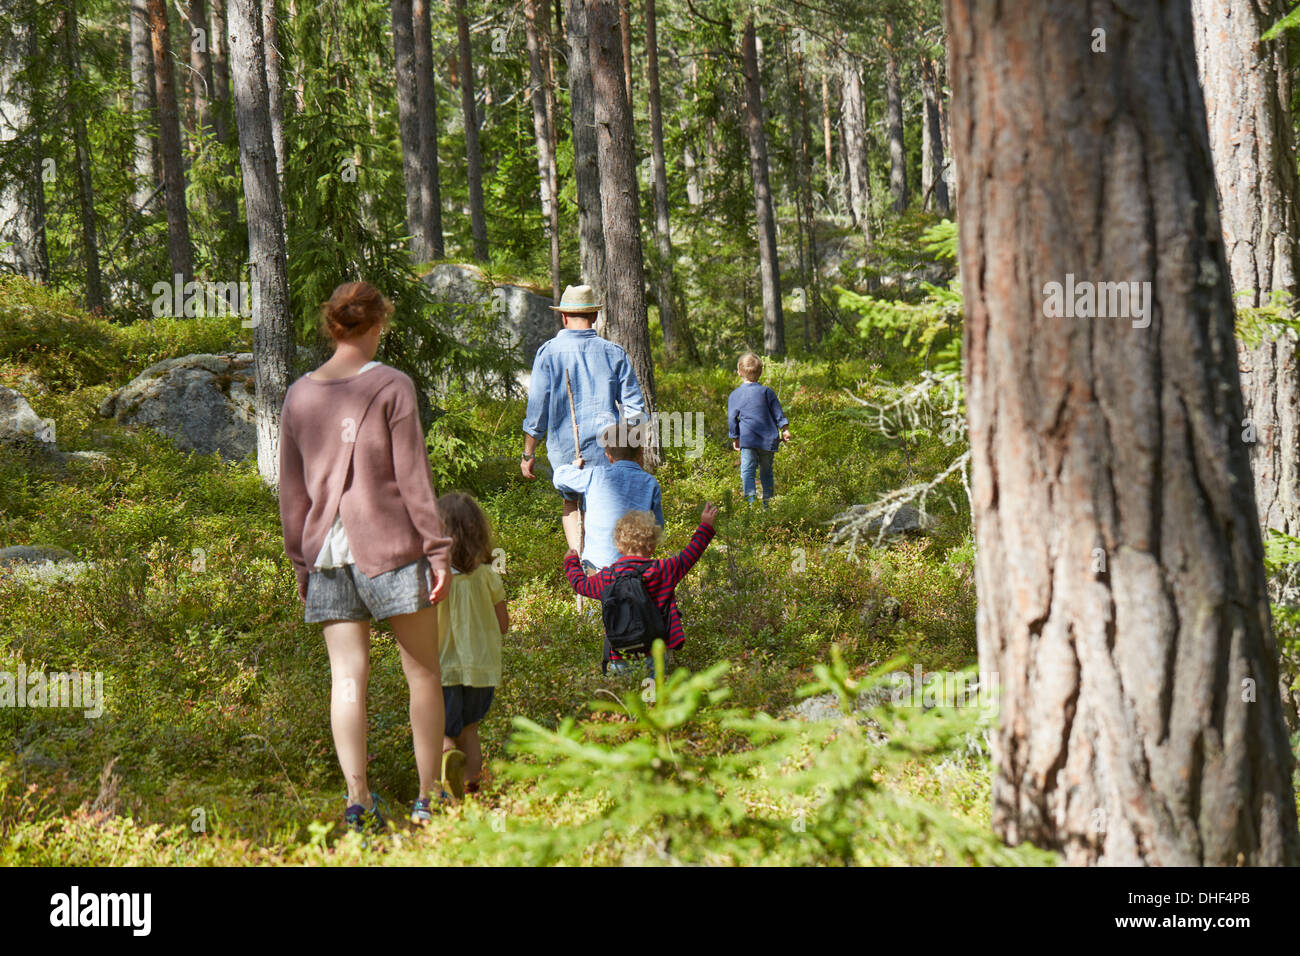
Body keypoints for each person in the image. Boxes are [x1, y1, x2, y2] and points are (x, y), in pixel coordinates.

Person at [279, 281, 452, 834]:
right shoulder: (393, 385)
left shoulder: (298, 395)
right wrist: (439, 550)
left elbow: (292, 491)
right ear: (376, 324)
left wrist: (300, 562)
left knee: (346, 679)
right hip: (394, 550)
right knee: (423, 676)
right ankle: (428, 799)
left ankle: (358, 802)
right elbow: (414, 480)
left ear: (334, 326)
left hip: (327, 553)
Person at [521, 284, 646, 554]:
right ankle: (603, 565)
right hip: (609, 450)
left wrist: (528, 453)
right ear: (595, 316)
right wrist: (636, 454)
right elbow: (635, 409)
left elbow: (537, 409)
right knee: (604, 502)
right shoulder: (614, 353)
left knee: (571, 501)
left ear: (564, 316)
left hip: (565, 449)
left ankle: (581, 560)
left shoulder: (548, 353)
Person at [564, 504, 717, 675]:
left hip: (619, 654)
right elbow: (691, 554)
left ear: (619, 546)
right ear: (652, 546)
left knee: (625, 699)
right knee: (650, 696)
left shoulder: (607, 577)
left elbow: (580, 585)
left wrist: (571, 562)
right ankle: (650, 699)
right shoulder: (664, 569)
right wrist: (705, 526)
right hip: (655, 653)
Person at [434, 492, 509, 799]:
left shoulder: (434, 581)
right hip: (481, 669)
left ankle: (449, 779)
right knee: (470, 730)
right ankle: (473, 788)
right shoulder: (489, 576)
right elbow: (503, 625)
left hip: (444, 668)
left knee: (444, 734)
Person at [552, 421, 663, 572]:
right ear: (639, 453)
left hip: (597, 567)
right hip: (635, 568)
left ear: (608, 455)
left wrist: (574, 466)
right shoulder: (650, 483)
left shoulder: (596, 475)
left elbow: (559, 478)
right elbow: (658, 527)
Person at [727, 352, 791, 507]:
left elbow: (732, 418)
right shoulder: (767, 392)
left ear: (739, 372)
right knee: (766, 471)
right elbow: (778, 413)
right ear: (760, 372)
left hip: (748, 441)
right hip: (768, 440)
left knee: (747, 472)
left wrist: (735, 437)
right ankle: (767, 504)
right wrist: (785, 429)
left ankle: (751, 504)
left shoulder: (735, 395)